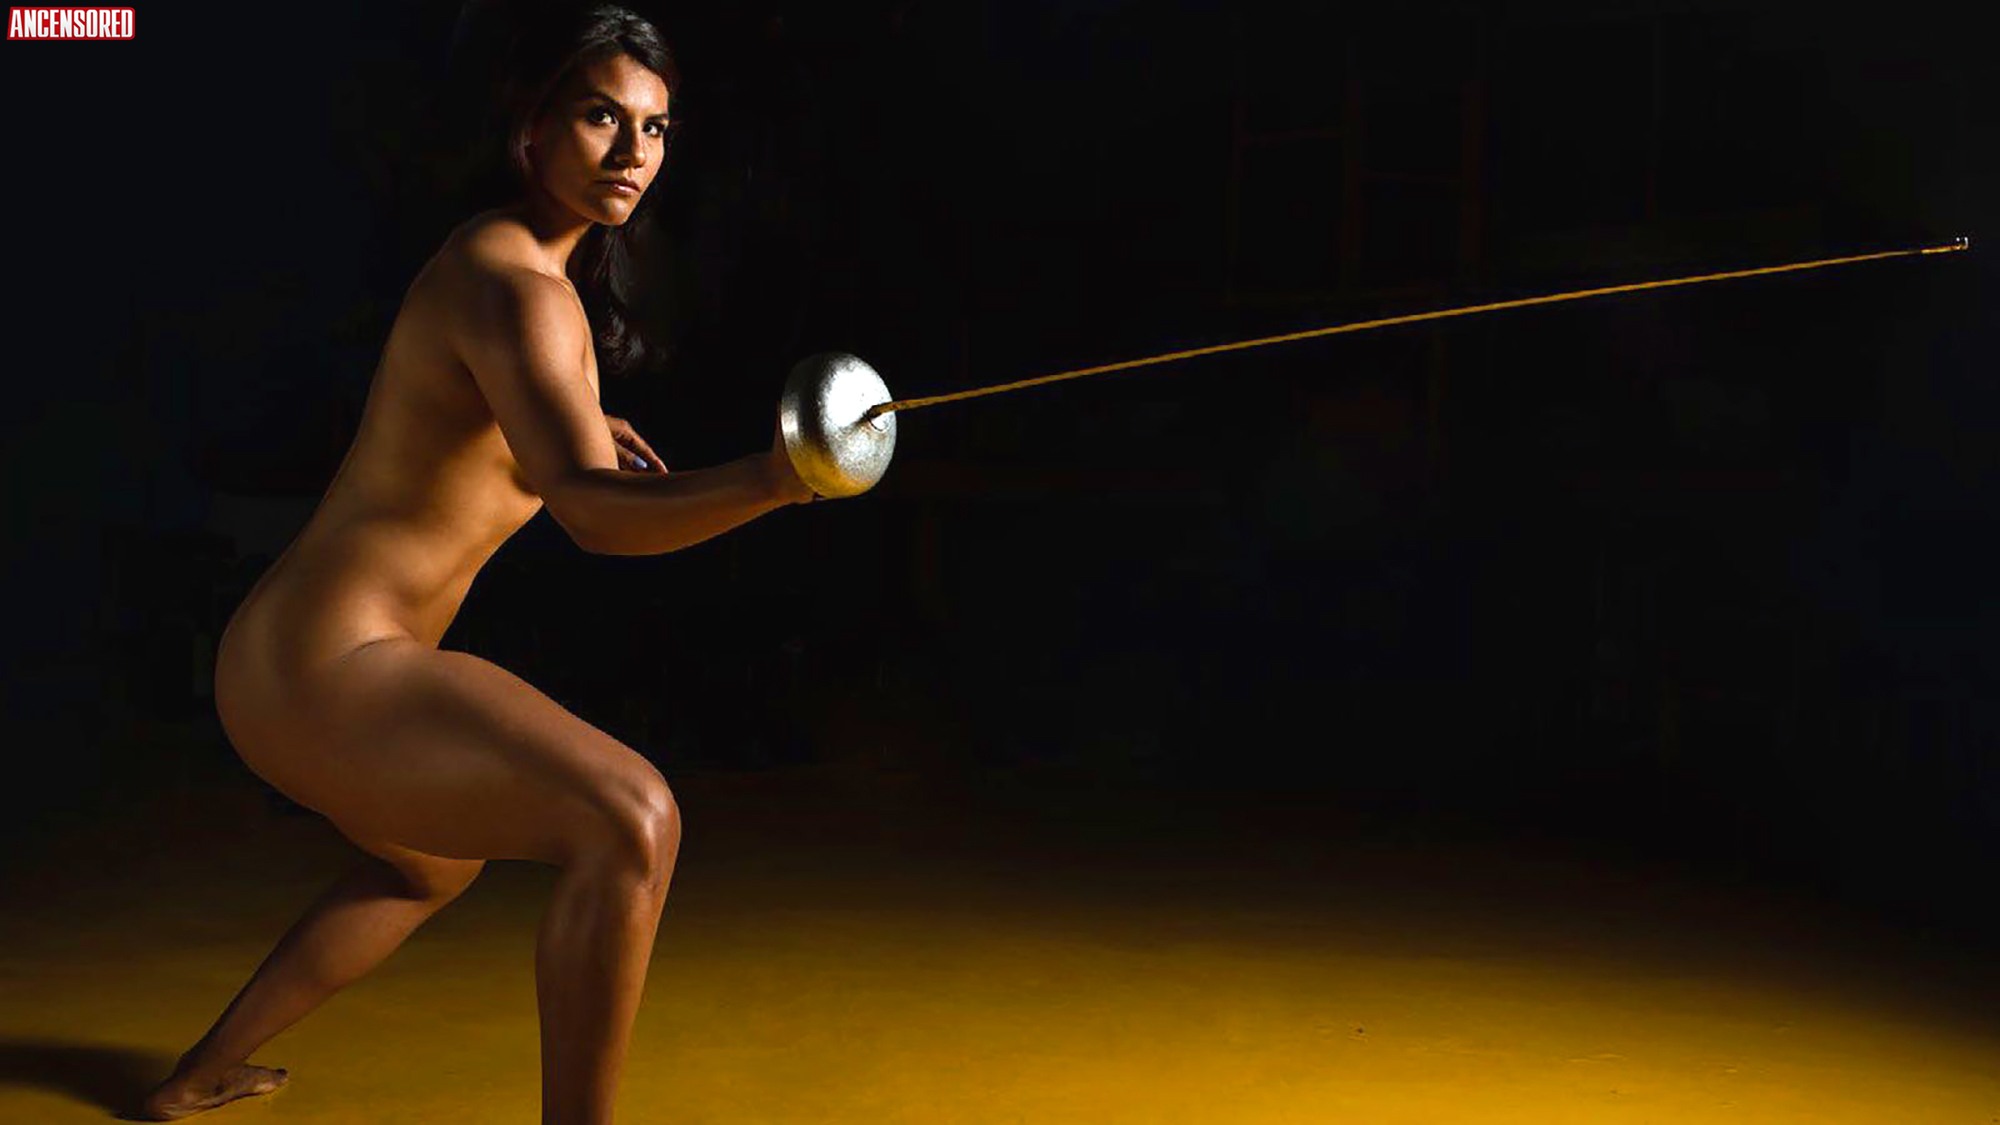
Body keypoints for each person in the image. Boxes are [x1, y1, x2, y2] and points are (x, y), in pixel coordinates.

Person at [137, 6, 815, 1120]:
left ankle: (200, 1073)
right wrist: (772, 481)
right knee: (633, 818)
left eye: (653, 127)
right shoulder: (520, 291)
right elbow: (596, 520)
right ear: (530, 127)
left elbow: (518, 440)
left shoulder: (500, 264)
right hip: (327, 664)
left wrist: (582, 428)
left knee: (427, 865)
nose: (632, 150)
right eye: (600, 116)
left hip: (281, 658)